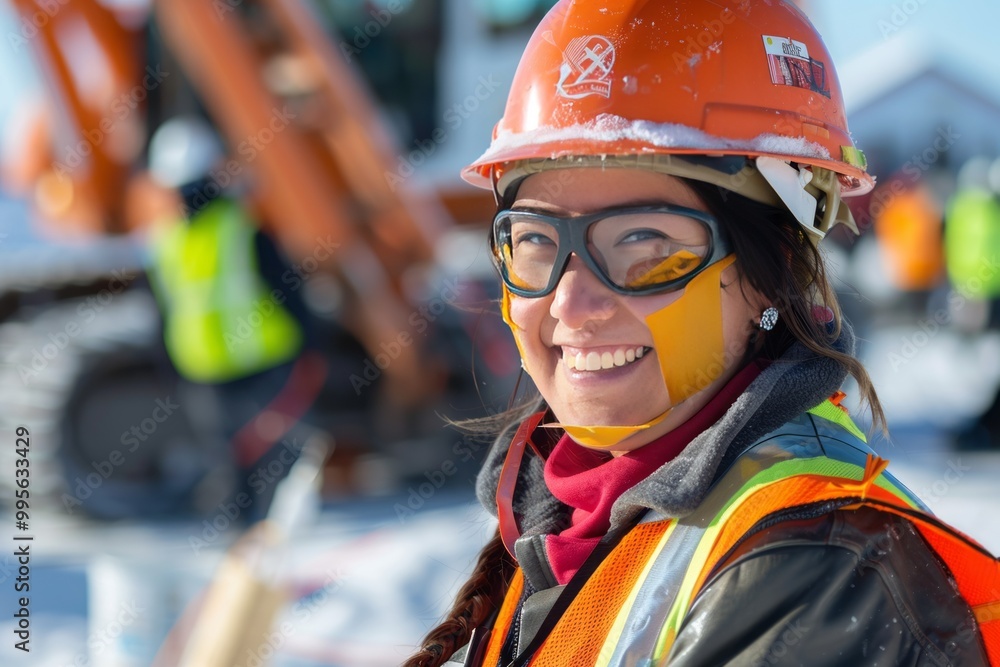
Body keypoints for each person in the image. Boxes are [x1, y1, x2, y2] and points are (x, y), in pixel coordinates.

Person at [406, 2, 999, 666]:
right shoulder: (567, 524)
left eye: (643, 243)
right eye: (538, 242)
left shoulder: (820, 569)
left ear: (769, 275)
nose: (571, 301)